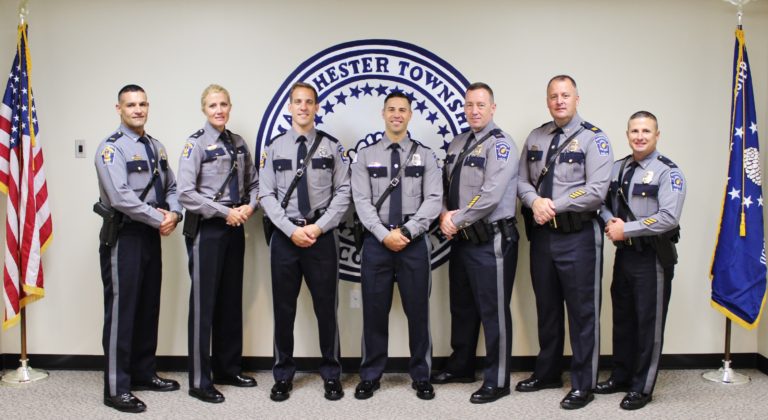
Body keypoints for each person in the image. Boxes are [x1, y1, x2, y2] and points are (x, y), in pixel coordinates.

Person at [517, 75, 613, 409]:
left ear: (577, 99)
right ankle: (548, 373)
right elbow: (521, 181)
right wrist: (534, 202)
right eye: (554, 96)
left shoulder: (594, 139)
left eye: (565, 95)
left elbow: (597, 190)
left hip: (578, 236)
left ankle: (584, 383)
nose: (559, 101)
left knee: (583, 312)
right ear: (548, 101)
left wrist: (554, 205)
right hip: (543, 235)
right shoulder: (536, 137)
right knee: (547, 308)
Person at [259, 82, 350, 402]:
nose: (303, 107)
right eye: (297, 102)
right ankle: (283, 374)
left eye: (309, 102)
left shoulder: (332, 147)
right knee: (283, 310)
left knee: (327, 309)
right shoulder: (274, 148)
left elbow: (344, 192)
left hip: (321, 238)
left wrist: (319, 228)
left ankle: (331, 373)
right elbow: (265, 194)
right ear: (289, 107)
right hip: (285, 238)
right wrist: (289, 229)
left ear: (316, 107)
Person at [94, 84, 183, 413]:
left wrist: (174, 214)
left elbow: (172, 187)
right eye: (131, 105)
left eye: (142, 104)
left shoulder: (156, 147)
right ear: (119, 109)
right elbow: (120, 197)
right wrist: (158, 219)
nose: (138, 110)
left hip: (149, 235)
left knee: (148, 306)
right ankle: (116, 388)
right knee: (122, 312)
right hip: (124, 236)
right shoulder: (111, 149)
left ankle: (144, 373)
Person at [350, 92, 442, 400]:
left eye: (403, 109)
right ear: (383, 113)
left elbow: (433, 200)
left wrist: (407, 231)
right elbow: (361, 201)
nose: (397, 114)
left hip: (413, 244)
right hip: (377, 244)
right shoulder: (365, 156)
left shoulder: (425, 156)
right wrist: (382, 234)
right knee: (374, 314)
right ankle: (370, 375)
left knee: (419, 313)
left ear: (410, 115)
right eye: (391, 109)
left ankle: (421, 375)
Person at [432, 82, 519, 404]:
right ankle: (461, 367)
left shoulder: (501, 145)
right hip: (462, 240)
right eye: (469, 105)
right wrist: (444, 214)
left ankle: (498, 380)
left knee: (493, 311)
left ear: (492, 108)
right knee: (462, 307)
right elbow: (443, 186)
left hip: (491, 238)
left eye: (481, 105)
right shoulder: (457, 143)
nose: (474, 110)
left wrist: (454, 220)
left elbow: (491, 195)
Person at [596, 111, 685, 410]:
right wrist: (610, 222)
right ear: (627, 134)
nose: (640, 136)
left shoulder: (668, 172)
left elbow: (669, 218)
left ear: (657, 135)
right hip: (625, 255)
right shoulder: (618, 167)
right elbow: (601, 203)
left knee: (649, 324)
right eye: (634, 131)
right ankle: (621, 376)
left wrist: (627, 229)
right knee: (623, 320)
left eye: (646, 131)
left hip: (652, 257)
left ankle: (642, 387)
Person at [177, 84, 258, 404]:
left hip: (235, 228)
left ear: (230, 107)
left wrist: (249, 207)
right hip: (208, 230)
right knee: (204, 306)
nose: (219, 110)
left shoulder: (238, 143)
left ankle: (228, 368)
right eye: (213, 105)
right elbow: (185, 193)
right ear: (204, 110)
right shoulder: (195, 144)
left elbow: (254, 183)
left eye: (223, 104)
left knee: (230, 301)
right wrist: (226, 212)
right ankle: (200, 380)